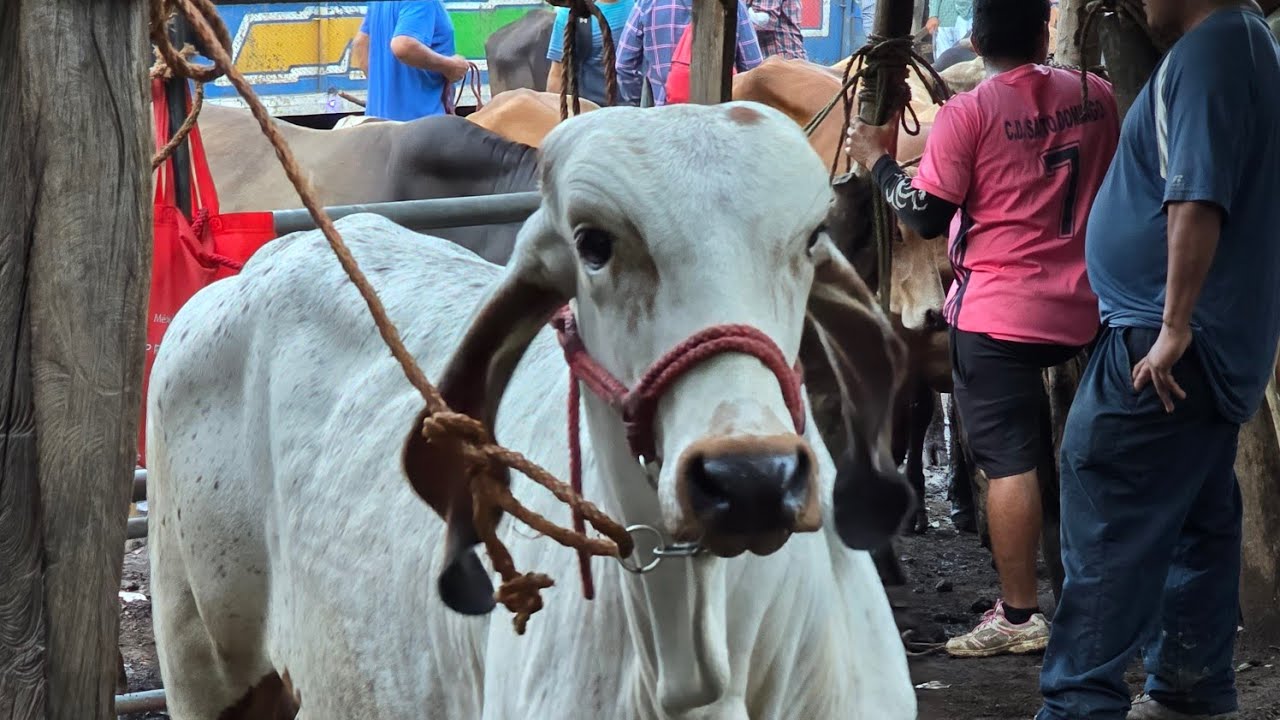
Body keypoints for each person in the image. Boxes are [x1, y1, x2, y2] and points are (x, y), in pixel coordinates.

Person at [844, 0, 1119, 659]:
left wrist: (878, 162)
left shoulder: (967, 113)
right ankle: (1108, 591)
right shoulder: (1100, 96)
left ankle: (1019, 617)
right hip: (1090, 307)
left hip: (999, 313)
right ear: (1044, 28)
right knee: (1099, 449)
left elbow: (927, 217)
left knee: (1010, 463)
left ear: (973, 37)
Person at [1036, 1, 1280, 718]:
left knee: (1109, 508)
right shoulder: (1245, 44)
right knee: (1198, 520)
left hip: (1165, 341)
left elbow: (1196, 197)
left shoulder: (1210, 54)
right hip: (1210, 342)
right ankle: (1190, 692)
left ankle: (1080, 702)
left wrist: (1172, 324)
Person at [615, 0, 764, 106]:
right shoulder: (733, 5)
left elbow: (624, 65)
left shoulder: (647, 4)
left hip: (664, 119)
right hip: (718, 120)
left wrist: (636, 101)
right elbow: (754, 67)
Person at [352, 0, 470, 121]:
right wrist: (450, 66)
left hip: (378, 126)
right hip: (420, 127)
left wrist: (383, 88)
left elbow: (360, 43)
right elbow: (403, 45)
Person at [546, 0, 637, 106]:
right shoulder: (571, 12)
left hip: (643, 111)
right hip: (593, 112)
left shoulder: (645, 5)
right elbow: (557, 74)